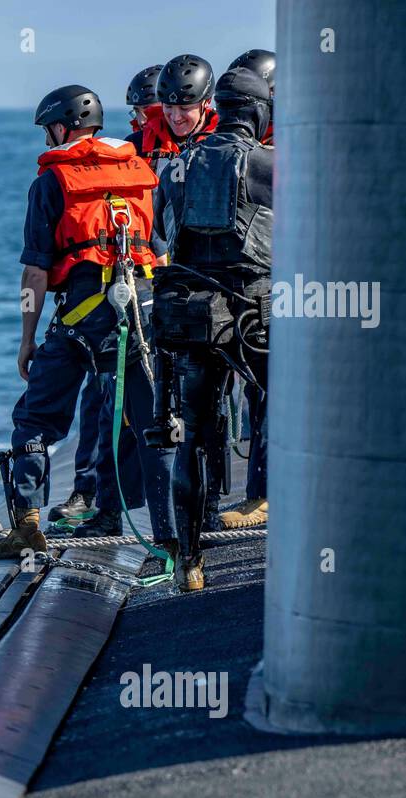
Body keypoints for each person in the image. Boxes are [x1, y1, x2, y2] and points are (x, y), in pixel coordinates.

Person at [0, 85, 174, 558]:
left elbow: (35, 270)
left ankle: (28, 524)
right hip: (141, 309)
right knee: (151, 422)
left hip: (81, 315)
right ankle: (171, 537)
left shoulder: (51, 182)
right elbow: (159, 250)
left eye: (49, 129)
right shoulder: (137, 170)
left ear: (61, 126)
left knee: (35, 416)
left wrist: (27, 340)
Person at [149, 66, 274, 591]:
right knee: (280, 414)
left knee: (193, 439)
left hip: (194, 317)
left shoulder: (173, 166)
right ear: (259, 113)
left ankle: (190, 563)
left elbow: (159, 235)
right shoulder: (271, 164)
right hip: (254, 317)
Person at [49, 66, 163, 532]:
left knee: (129, 406)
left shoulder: (148, 162)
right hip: (134, 298)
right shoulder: (136, 159)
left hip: (140, 298)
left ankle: (117, 503)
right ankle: (100, 496)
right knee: (110, 401)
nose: (137, 121)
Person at [218, 48, 275, 530]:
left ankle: (263, 494)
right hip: (246, 294)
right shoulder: (265, 156)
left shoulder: (272, 157)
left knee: (269, 395)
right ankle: (256, 493)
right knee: (261, 395)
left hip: (264, 293)